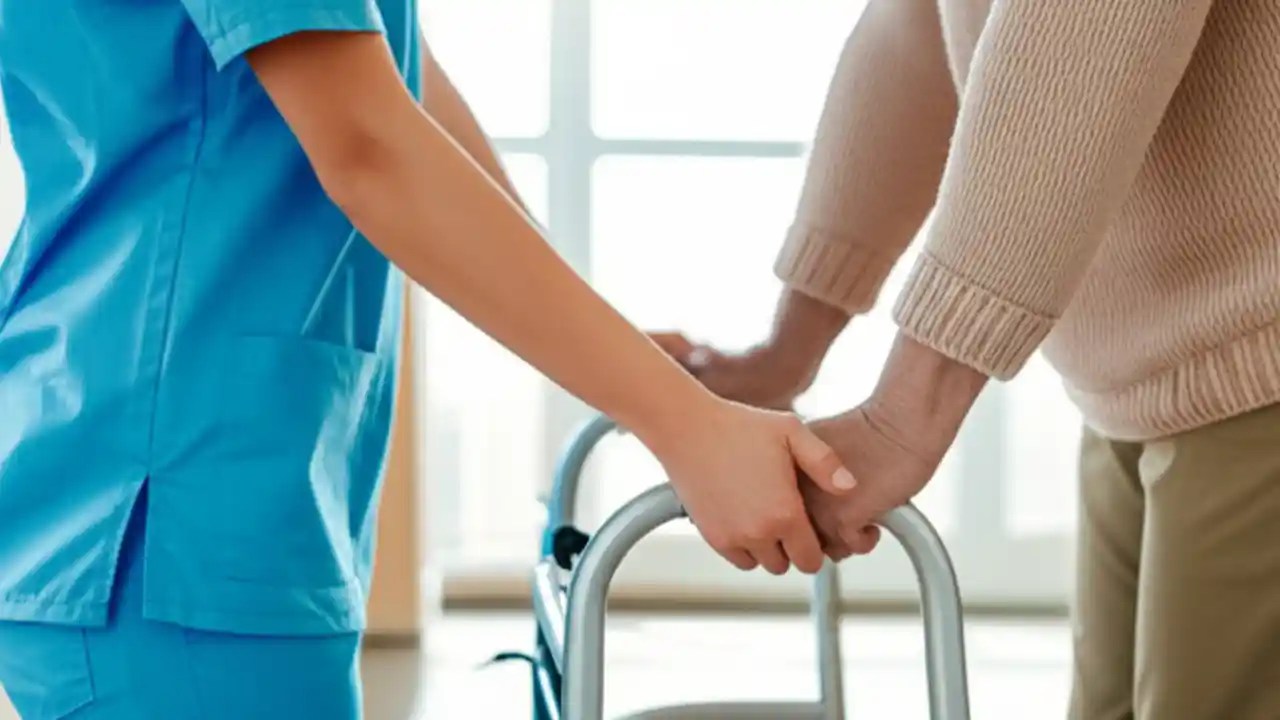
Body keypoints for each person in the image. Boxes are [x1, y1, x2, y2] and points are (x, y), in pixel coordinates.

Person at [0, 2, 859, 718]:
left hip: (170, 466)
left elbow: (394, 81)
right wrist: (683, 424)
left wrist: (625, 359)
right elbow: (369, 144)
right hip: (168, 505)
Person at [656, 0, 1280, 718]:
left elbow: (1073, 37)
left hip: (1255, 359)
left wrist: (904, 417)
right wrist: (788, 353)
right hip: (1146, 372)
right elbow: (925, 28)